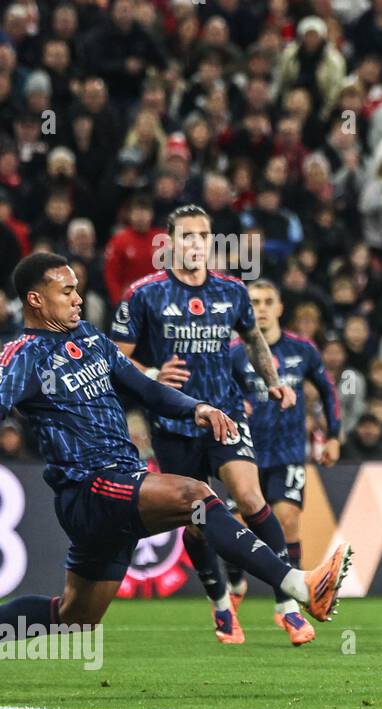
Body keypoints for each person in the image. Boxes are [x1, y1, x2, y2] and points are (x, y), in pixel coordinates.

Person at [0, 252, 350, 639]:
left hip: (118, 483)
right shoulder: (22, 357)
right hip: (89, 486)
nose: (78, 299)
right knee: (195, 496)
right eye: (66, 292)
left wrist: (196, 407)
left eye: (77, 290)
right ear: (36, 300)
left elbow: (146, 388)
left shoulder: (88, 337)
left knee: (75, 617)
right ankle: (300, 586)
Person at [111, 205, 298, 645]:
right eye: (187, 236)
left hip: (227, 413)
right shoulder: (144, 294)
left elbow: (252, 339)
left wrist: (272, 383)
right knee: (196, 521)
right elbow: (116, 358)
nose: (196, 244)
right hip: (174, 421)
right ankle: (220, 605)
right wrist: (154, 374)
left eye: (203, 236)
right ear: (170, 243)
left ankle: (287, 603)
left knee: (251, 497)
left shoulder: (231, 290)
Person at [225, 280, 342, 645]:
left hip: (288, 451)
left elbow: (327, 390)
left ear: (279, 308)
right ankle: (235, 581)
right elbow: (221, 390)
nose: (260, 308)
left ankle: (285, 602)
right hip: (243, 451)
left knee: (286, 518)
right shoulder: (234, 352)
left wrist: (334, 436)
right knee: (236, 523)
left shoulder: (303, 350)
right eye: (254, 302)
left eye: (267, 301)